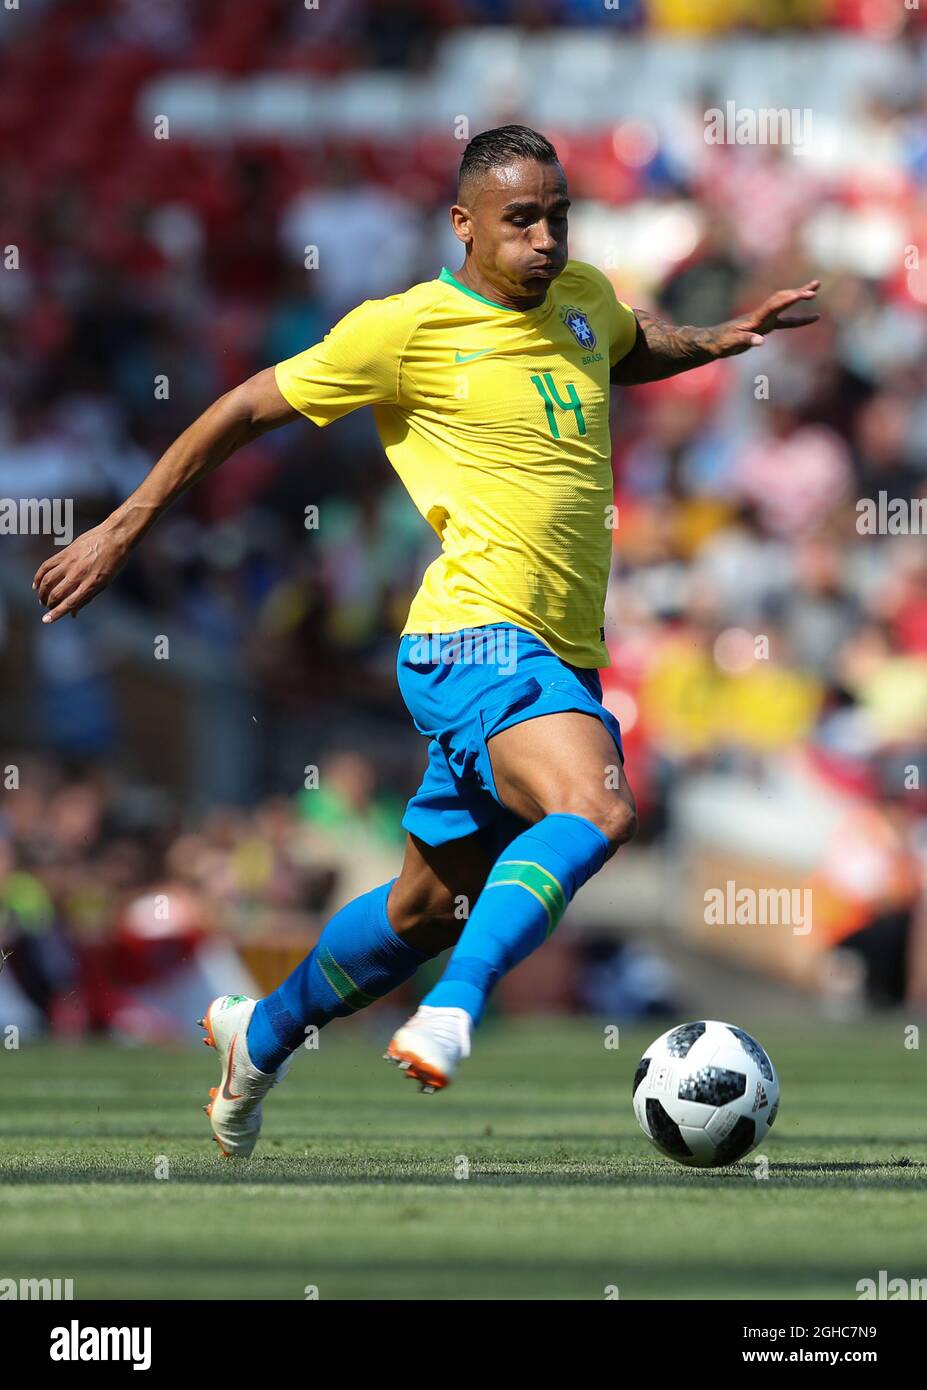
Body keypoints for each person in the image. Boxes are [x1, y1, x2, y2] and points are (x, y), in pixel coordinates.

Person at [34, 125, 820, 1157]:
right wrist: (125, 523)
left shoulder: (580, 298)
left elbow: (628, 345)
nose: (545, 240)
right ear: (464, 224)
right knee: (600, 802)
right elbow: (243, 406)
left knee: (423, 908)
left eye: (558, 216)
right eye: (521, 220)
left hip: (555, 654)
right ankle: (455, 1007)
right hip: (473, 638)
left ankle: (257, 1035)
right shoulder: (404, 331)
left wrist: (714, 338)